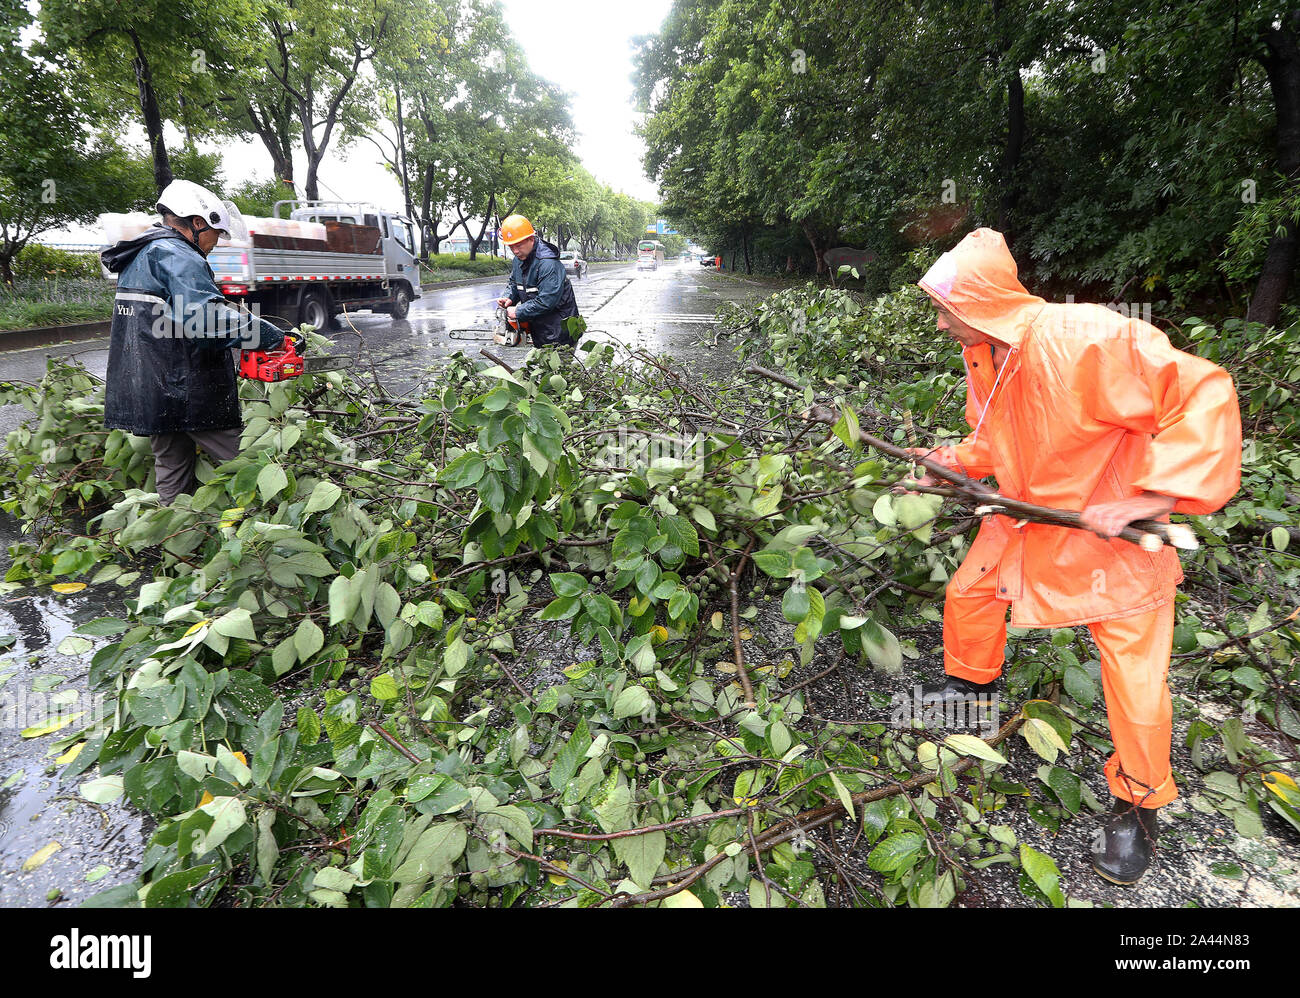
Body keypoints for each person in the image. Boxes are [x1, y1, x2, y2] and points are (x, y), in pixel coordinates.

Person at [909, 227, 1241, 885]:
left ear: (977, 303)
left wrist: (1157, 494)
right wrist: (945, 465)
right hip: (1032, 518)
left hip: (1114, 536)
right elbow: (998, 442)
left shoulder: (1089, 337)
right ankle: (973, 688)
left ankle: (1138, 805)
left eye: (944, 309)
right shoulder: (987, 353)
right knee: (969, 593)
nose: (940, 323)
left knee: (1135, 684)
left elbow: (1203, 392)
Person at [101, 179, 286, 504]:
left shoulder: (143, 253)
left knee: (171, 469)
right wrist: (269, 335)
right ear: (198, 223)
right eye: (217, 233)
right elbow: (206, 320)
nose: (217, 242)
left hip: (152, 391)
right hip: (187, 390)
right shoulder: (179, 255)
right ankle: (271, 528)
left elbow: (180, 313)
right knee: (251, 462)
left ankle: (175, 540)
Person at [493, 214, 581, 347]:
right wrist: (509, 297)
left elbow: (547, 301)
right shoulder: (519, 260)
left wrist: (518, 311)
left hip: (560, 330)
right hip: (540, 328)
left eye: (519, 245)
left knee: (558, 365)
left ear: (531, 239)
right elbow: (514, 283)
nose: (515, 251)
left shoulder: (548, 264)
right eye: (511, 247)